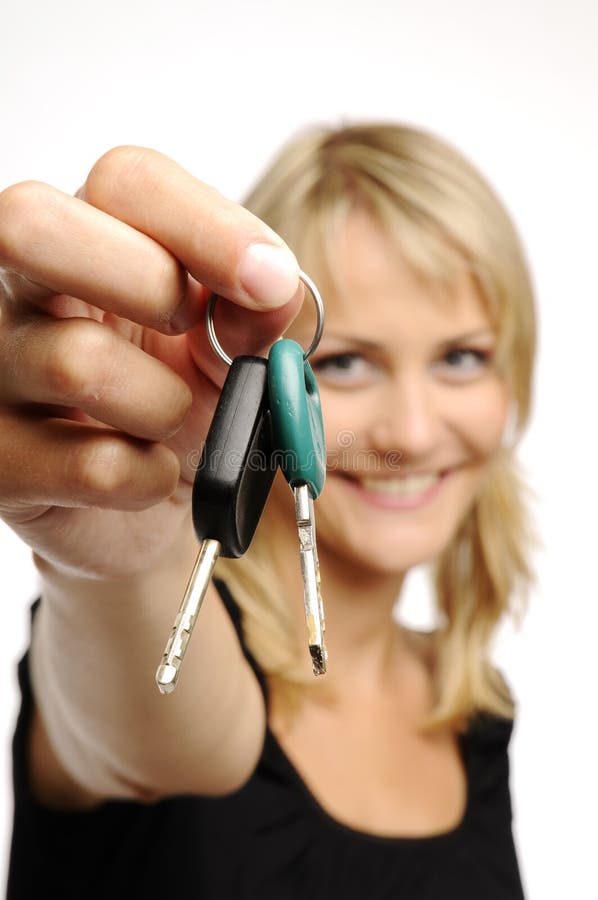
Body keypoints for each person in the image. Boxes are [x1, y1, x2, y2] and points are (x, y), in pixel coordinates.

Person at [0, 123, 535, 899]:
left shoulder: (479, 713)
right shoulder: (146, 647)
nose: (414, 434)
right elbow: (161, 737)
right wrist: (127, 565)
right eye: (345, 362)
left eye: (461, 357)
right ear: (249, 381)